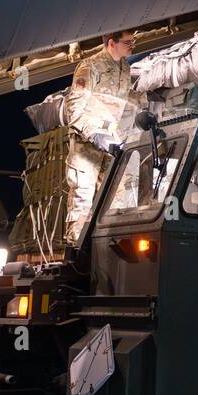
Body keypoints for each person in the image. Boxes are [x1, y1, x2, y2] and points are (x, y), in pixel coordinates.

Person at [63, 30, 139, 241]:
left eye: (134, 40)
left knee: (113, 202)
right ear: (112, 43)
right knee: (83, 203)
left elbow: (124, 102)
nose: (133, 45)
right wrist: (95, 135)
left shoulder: (125, 67)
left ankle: (105, 253)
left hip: (111, 146)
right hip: (87, 148)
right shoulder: (90, 66)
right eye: (128, 42)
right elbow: (74, 109)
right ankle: (78, 255)